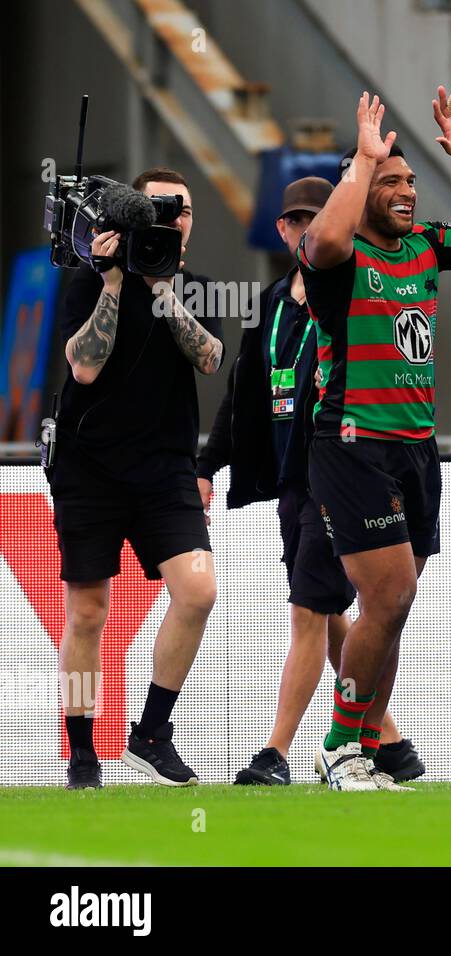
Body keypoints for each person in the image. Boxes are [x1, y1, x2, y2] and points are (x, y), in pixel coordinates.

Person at [299, 87, 451, 791]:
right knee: (389, 597)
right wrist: (363, 161)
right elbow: (325, 238)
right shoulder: (340, 261)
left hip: (416, 451)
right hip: (351, 444)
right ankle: (338, 744)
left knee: (391, 612)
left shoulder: (426, 249)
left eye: (410, 181)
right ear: (362, 190)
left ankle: (362, 743)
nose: (405, 191)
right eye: (390, 181)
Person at [196, 177, 424, 787]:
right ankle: (388, 739)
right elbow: (243, 390)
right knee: (329, 611)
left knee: (310, 610)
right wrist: (206, 465)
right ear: (282, 230)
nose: (307, 229)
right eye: (296, 220)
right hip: (289, 479)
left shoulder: (345, 287)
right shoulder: (271, 300)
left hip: (336, 470)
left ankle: (280, 752)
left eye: (318, 218)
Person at [52, 167, 224, 789]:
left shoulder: (195, 287)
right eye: (158, 209)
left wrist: (160, 289)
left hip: (165, 468)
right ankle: (81, 754)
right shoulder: (87, 282)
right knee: (88, 612)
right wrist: (115, 282)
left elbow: (210, 358)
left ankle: (151, 733)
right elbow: (85, 368)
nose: (171, 219)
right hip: (88, 467)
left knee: (199, 590)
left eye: (182, 210)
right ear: (130, 214)